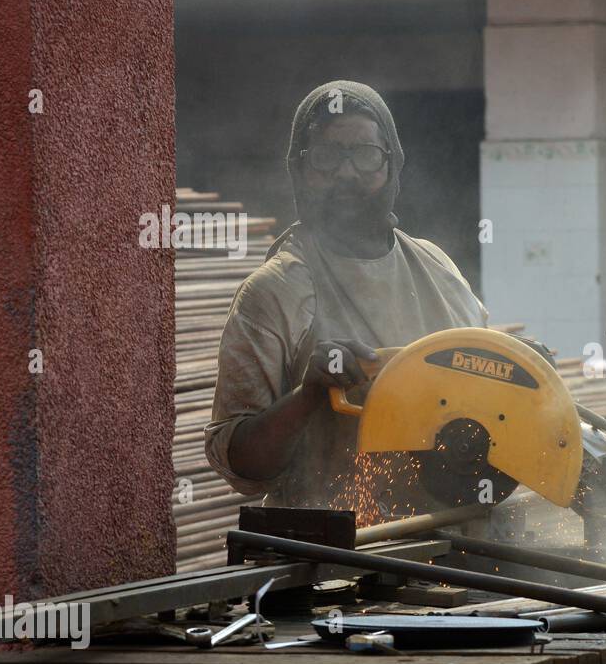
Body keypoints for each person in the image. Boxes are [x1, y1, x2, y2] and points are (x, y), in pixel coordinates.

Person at [205, 80, 488, 516]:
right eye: (326, 157)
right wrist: (308, 397)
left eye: (366, 155)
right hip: (329, 562)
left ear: (392, 166)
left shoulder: (437, 268)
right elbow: (240, 464)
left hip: (452, 548)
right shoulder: (275, 291)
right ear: (298, 171)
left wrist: (522, 369)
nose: (347, 173)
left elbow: (487, 400)